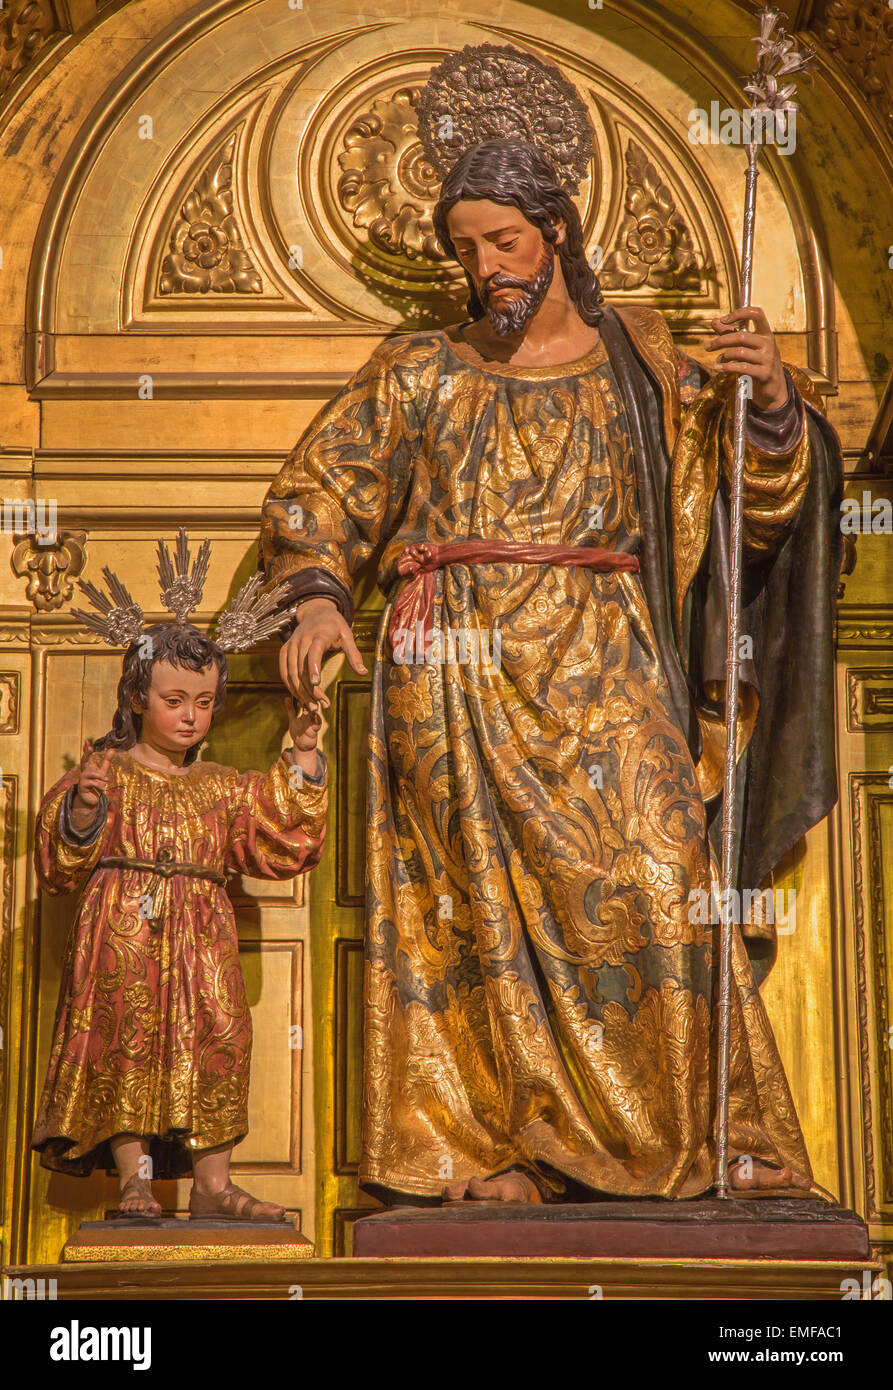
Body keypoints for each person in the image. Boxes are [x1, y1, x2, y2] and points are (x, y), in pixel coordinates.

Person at [260, 46, 843, 1205]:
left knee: (656, 874)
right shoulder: (421, 368)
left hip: (609, 665)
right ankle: (497, 1152)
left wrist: (771, 401)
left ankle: (705, 1138)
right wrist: (321, 590)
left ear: (557, 232)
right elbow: (321, 488)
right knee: (473, 919)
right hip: (455, 676)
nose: (485, 269)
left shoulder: (645, 364)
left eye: (503, 242)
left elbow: (752, 514)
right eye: (465, 249)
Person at [31, 537, 327, 1222]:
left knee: (219, 1038)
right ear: (137, 697)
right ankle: (134, 1179)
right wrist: (83, 809)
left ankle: (213, 1185)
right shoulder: (109, 774)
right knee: (125, 1040)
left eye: (203, 701)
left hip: (203, 932)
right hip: (122, 930)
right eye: (173, 699)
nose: (191, 715)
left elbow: (283, 834)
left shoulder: (221, 786)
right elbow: (61, 863)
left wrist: (304, 755)